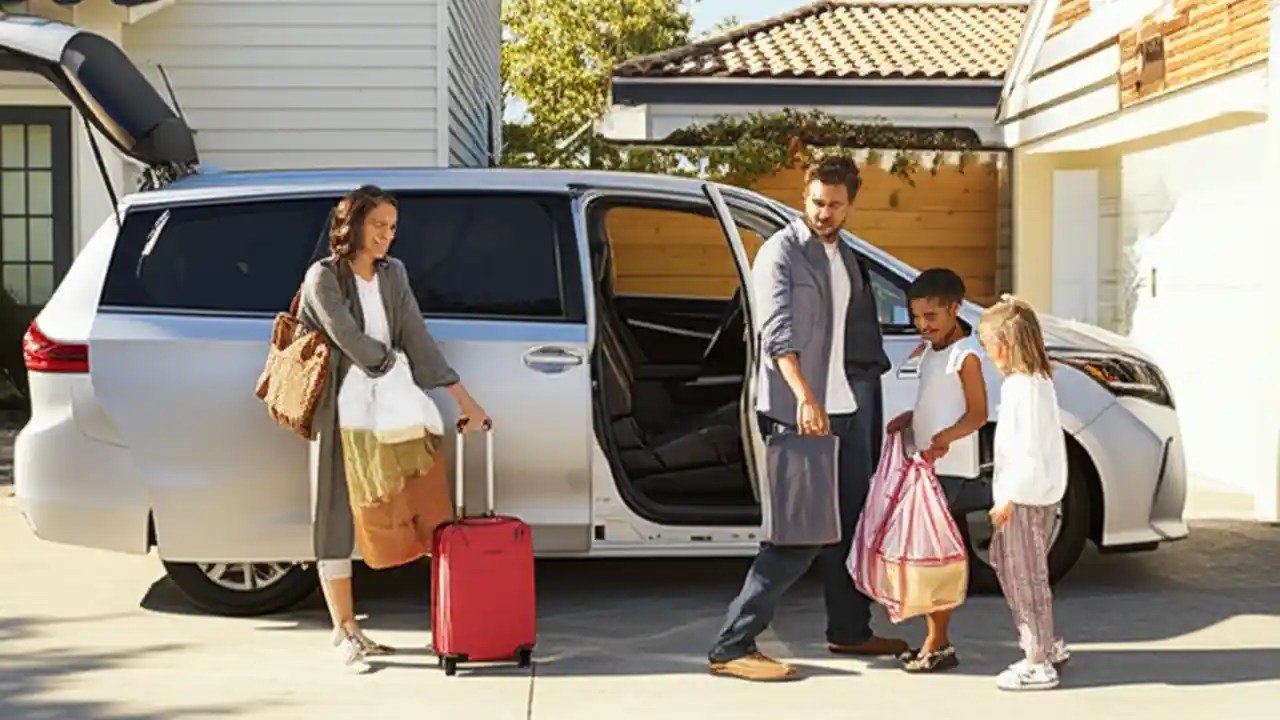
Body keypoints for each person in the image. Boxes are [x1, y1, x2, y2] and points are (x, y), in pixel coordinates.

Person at [707, 156, 908, 682]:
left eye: (835, 204)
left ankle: (849, 630)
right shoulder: (780, 252)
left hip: (845, 412)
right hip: (800, 413)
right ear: (805, 197)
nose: (824, 212)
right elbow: (777, 333)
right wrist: (805, 398)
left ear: (850, 205)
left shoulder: (845, 256)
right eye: (817, 202)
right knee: (798, 536)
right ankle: (732, 645)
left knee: (848, 527)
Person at [296, 185, 491, 672]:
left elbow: (417, 336)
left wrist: (464, 400)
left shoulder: (393, 274)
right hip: (341, 412)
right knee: (336, 513)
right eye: (378, 225)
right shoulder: (324, 277)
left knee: (416, 501)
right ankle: (344, 631)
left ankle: (450, 622)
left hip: (391, 408)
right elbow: (350, 339)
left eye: (393, 227)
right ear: (352, 225)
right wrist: (393, 366)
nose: (387, 236)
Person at [884, 268, 988, 673]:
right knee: (929, 553)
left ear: (955, 309)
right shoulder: (930, 351)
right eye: (916, 316)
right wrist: (911, 420)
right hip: (928, 466)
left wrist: (945, 437)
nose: (922, 324)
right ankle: (937, 639)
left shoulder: (966, 355)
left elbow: (977, 414)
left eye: (931, 316)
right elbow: (936, 400)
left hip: (950, 468)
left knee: (933, 556)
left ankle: (937, 642)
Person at [976, 295, 1071, 691]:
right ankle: (1046, 645)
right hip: (1036, 496)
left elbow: (1027, 449)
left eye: (987, 344)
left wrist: (1009, 498)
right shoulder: (1038, 383)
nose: (986, 353)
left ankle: (1037, 659)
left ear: (1004, 346)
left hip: (1024, 499)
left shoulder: (1021, 388)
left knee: (1022, 578)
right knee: (1027, 572)